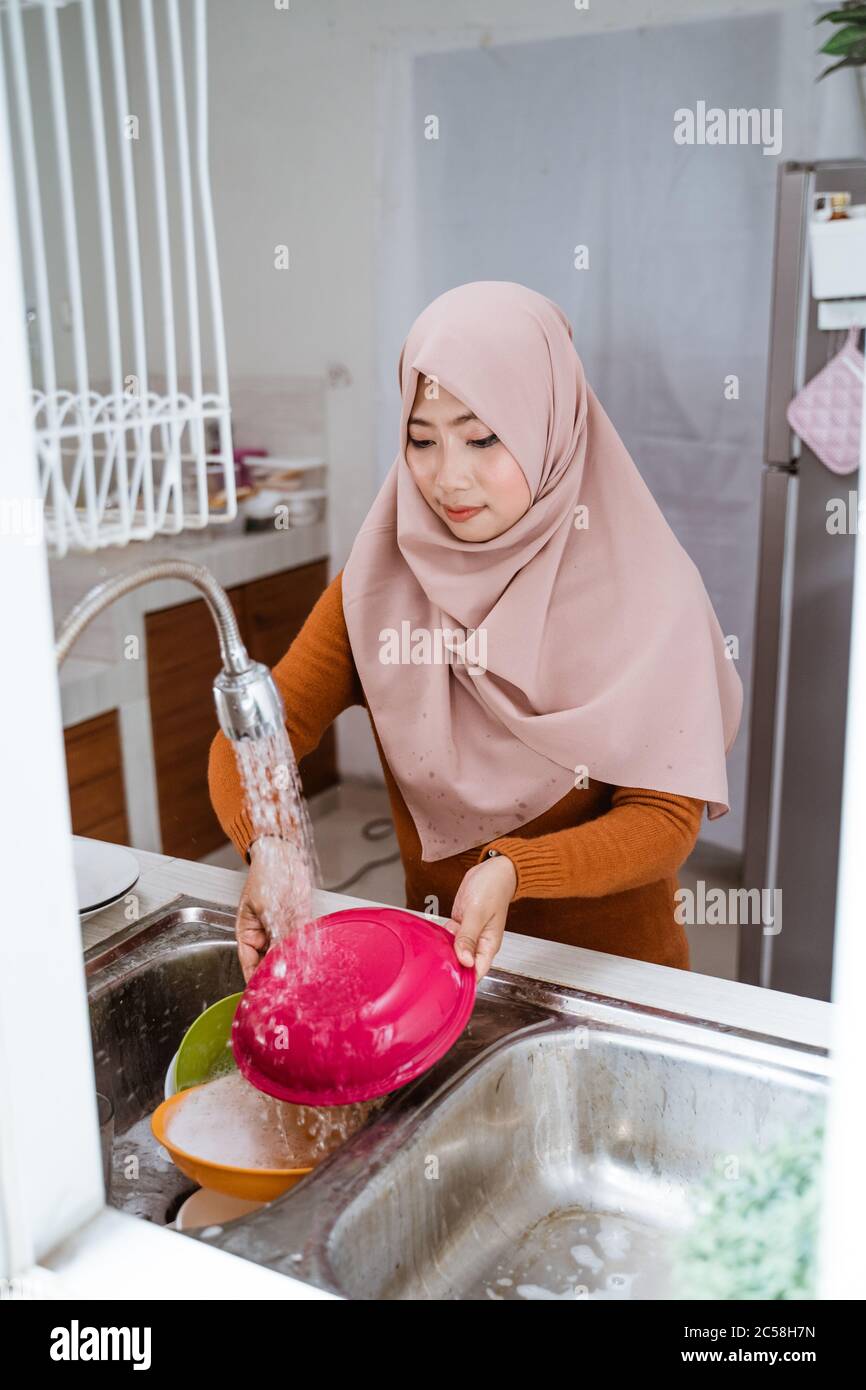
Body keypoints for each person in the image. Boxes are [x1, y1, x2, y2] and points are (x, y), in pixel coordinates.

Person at [209, 281, 742, 983]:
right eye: (421, 440)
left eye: (483, 438)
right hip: (448, 971)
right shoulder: (381, 585)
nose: (447, 479)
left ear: (549, 425)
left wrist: (516, 870)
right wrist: (269, 844)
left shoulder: (650, 590)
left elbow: (664, 820)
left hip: (617, 979)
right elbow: (255, 742)